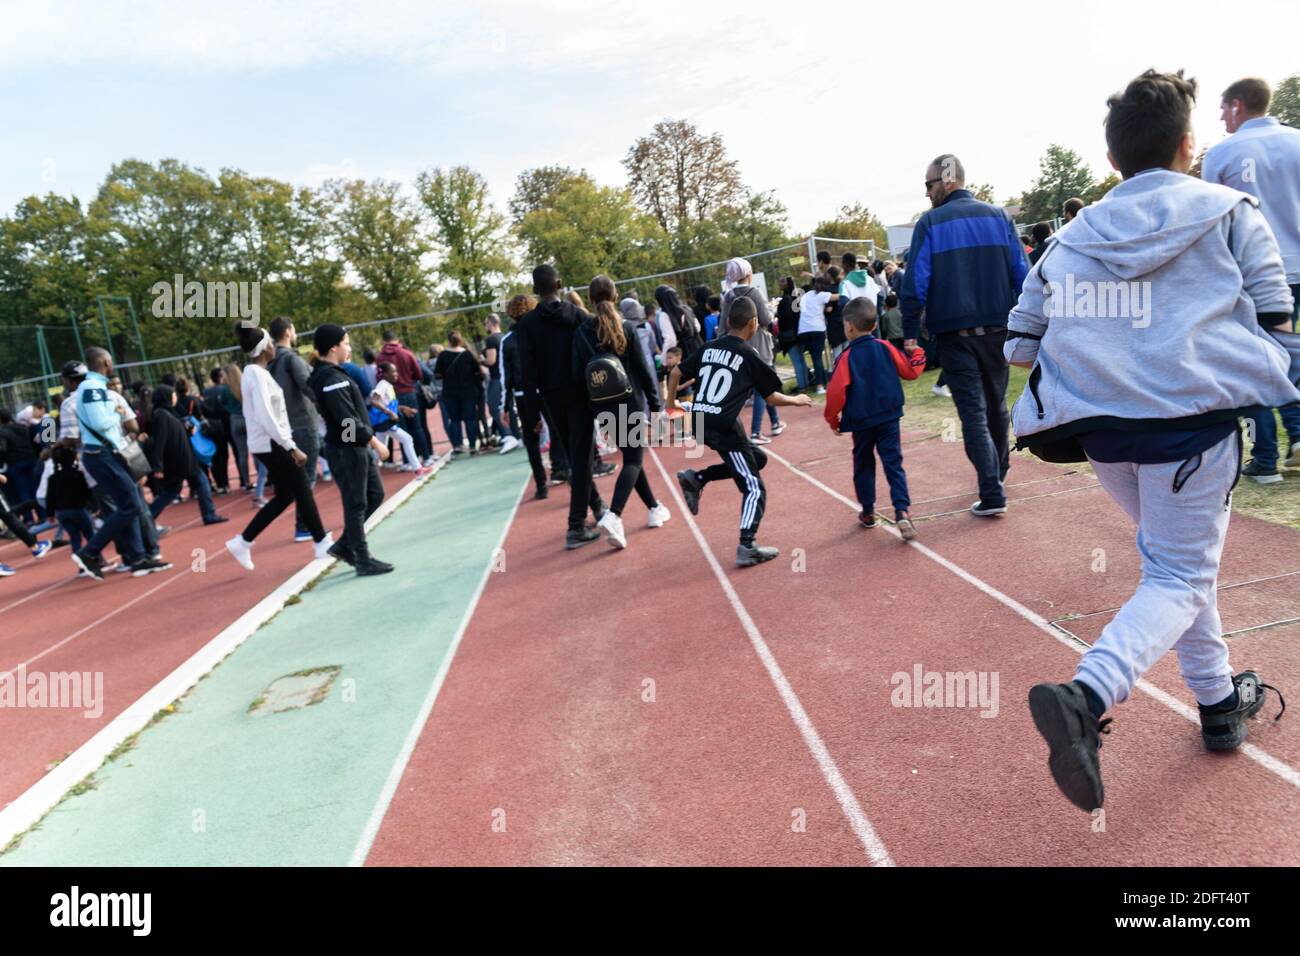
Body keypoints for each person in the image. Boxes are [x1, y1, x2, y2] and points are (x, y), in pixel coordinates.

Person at [1010, 69, 1295, 813]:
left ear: (1112, 161)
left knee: (1175, 566)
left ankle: (1217, 704)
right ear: (1188, 144)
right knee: (1177, 574)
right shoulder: (1231, 209)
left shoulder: (1069, 236)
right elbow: (1277, 317)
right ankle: (1087, 693)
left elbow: (1020, 341)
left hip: (1101, 435)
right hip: (1189, 431)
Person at [901, 152, 1028, 516]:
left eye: (929, 184)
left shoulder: (931, 223)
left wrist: (910, 332)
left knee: (973, 414)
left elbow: (916, 281)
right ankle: (997, 475)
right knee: (996, 406)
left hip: (955, 335)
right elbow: (1022, 273)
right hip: (997, 329)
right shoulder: (999, 217)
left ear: (948, 180)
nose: (926, 192)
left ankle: (992, 488)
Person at [1202, 75, 1300, 481]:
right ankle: (1294, 437)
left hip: (1254, 271)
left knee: (1256, 362)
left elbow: (1210, 222)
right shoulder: (1296, 140)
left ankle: (1265, 460)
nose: (1222, 116)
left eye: (1224, 107)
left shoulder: (1223, 153)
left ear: (1238, 105)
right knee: (1288, 355)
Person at [670, 297, 813, 567]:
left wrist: (669, 405)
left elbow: (676, 371)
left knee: (757, 460)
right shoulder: (748, 355)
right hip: (722, 428)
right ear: (753, 324)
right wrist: (797, 400)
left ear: (726, 322)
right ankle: (747, 545)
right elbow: (771, 397)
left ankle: (697, 478)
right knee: (754, 488)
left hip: (701, 422)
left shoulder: (710, 347)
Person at [224, 326, 334, 570]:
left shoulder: (256, 373)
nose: (275, 345)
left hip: (269, 442)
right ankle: (321, 542)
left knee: (286, 495)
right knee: (303, 487)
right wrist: (290, 446)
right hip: (271, 442)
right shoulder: (256, 375)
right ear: (265, 348)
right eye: (271, 342)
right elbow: (266, 416)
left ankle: (243, 541)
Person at [516, 264, 608, 550]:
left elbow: (527, 374)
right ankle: (575, 525)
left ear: (535, 289)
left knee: (574, 454)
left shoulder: (526, 325)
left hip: (551, 399)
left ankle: (597, 507)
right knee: (580, 458)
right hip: (580, 394)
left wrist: (531, 414)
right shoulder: (575, 314)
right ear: (560, 283)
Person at [576, 275, 670, 550]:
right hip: (629, 402)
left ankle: (653, 507)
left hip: (602, 406)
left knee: (631, 457)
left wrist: (592, 408)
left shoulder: (582, 331)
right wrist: (655, 405)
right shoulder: (625, 327)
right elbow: (642, 368)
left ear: (591, 300)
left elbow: (576, 373)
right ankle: (614, 515)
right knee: (633, 459)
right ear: (615, 297)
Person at [824, 297, 925, 538]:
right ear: (873, 323)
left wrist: (833, 420)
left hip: (861, 421)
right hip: (889, 416)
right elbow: (910, 371)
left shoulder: (846, 358)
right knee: (893, 463)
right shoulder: (886, 347)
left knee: (863, 463)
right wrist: (918, 352)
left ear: (848, 326)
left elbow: (836, 392)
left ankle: (868, 511)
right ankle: (902, 511)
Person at [69, 347, 169, 579]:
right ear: (105, 361)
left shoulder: (95, 387)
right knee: (131, 505)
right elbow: (100, 422)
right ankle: (91, 552)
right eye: (110, 360)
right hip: (100, 454)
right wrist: (117, 411)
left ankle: (137, 558)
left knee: (130, 504)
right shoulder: (92, 388)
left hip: (106, 454)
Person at [308, 323, 392, 575]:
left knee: (374, 495)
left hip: (351, 447)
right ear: (333, 347)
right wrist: (373, 442)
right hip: (347, 449)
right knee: (356, 503)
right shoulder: (331, 378)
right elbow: (346, 421)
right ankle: (363, 559)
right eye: (346, 343)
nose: (349, 347)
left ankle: (345, 545)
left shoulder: (333, 373)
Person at [269, 316, 326, 540]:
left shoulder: (268, 361)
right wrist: (324, 406)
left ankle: (305, 525)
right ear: (287, 332)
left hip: (284, 426)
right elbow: (309, 386)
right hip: (302, 422)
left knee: (299, 479)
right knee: (307, 478)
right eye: (293, 329)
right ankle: (305, 526)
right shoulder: (291, 360)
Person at [721, 256, 784, 443]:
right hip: (758, 344)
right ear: (748, 273)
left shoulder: (727, 297)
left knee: (763, 386)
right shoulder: (753, 293)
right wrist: (771, 311)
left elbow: (723, 326)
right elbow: (765, 319)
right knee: (761, 388)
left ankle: (775, 422)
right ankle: (756, 432)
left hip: (737, 346)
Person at [143, 385, 226, 526]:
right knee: (200, 482)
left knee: (172, 491)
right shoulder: (162, 415)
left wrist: (187, 430)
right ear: (166, 397)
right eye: (172, 395)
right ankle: (209, 515)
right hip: (179, 459)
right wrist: (158, 467)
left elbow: (174, 432)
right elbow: (160, 441)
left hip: (181, 458)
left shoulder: (168, 412)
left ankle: (146, 521)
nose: (175, 397)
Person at [501, 294, 548, 497]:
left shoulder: (508, 341)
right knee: (561, 432)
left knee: (531, 440)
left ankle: (541, 485)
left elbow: (506, 377)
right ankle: (567, 471)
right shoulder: (542, 332)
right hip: (547, 389)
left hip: (523, 395)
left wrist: (504, 406)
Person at [377, 330, 432, 463]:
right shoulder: (406, 353)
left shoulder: (379, 358)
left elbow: (378, 376)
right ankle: (426, 457)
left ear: (384, 341)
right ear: (397, 339)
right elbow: (419, 374)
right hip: (409, 391)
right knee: (417, 427)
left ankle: (408, 461)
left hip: (392, 395)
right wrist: (408, 379)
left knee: (401, 430)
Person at [434, 331, 486, 456]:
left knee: (455, 420)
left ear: (448, 340)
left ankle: (457, 445)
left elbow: (437, 374)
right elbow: (479, 373)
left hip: (450, 392)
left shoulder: (443, 355)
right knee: (470, 419)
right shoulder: (468, 354)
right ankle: (473, 446)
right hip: (468, 392)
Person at [370, 362, 428, 473]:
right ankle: (417, 468)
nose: (396, 374)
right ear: (386, 374)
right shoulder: (382, 385)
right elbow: (374, 401)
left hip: (383, 423)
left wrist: (403, 408)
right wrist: (390, 413)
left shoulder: (388, 385)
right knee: (407, 439)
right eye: (394, 371)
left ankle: (364, 469)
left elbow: (387, 403)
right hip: (385, 422)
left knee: (379, 451)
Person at [796, 275, 839, 394]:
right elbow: (838, 297)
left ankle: (819, 380)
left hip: (803, 329)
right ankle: (820, 385)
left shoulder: (806, 295)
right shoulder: (822, 295)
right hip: (817, 328)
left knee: (812, 357)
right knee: (817, 358)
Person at [0, 407, 41, 524]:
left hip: (15, 463)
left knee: (22, 492)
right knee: (35, 489)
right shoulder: (23, 427)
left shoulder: (2, 432)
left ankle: (29, 519)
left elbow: (2, 449)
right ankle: (42, 515)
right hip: (30, 459)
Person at [219, 362, 254, 492]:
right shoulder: (244, 384)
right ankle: (265, 478)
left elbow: (222, 403)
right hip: (247, 418)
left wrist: (230, 410)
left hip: (235, 420)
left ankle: (246, 481)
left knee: (242, 454)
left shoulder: (224, 389)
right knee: (256, 451)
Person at [481, 314, 512, 448]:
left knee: (494, 407)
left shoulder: (491, 339)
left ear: (491, 323)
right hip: (505, 376)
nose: (485, 326)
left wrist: (481, 360)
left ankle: (507, 434)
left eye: (486, 323)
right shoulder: (504, 336)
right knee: (507, 407)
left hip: (496, 378)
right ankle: (513, 435)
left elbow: (491, 361)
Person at [201, 367, 232, 494]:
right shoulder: (224, 389)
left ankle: (220, 483)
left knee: (214, 456)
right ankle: (226, 483)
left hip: (210, 427)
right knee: (224, 455)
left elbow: (203, 407)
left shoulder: (205, 392)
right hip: (223, 425)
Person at [655, 284, 704, 359]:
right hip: (698, 345)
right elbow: (697, 327)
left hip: (683, 352)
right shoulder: (687, 308)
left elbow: (670, 340)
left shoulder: (664, 315)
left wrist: (664, 358)